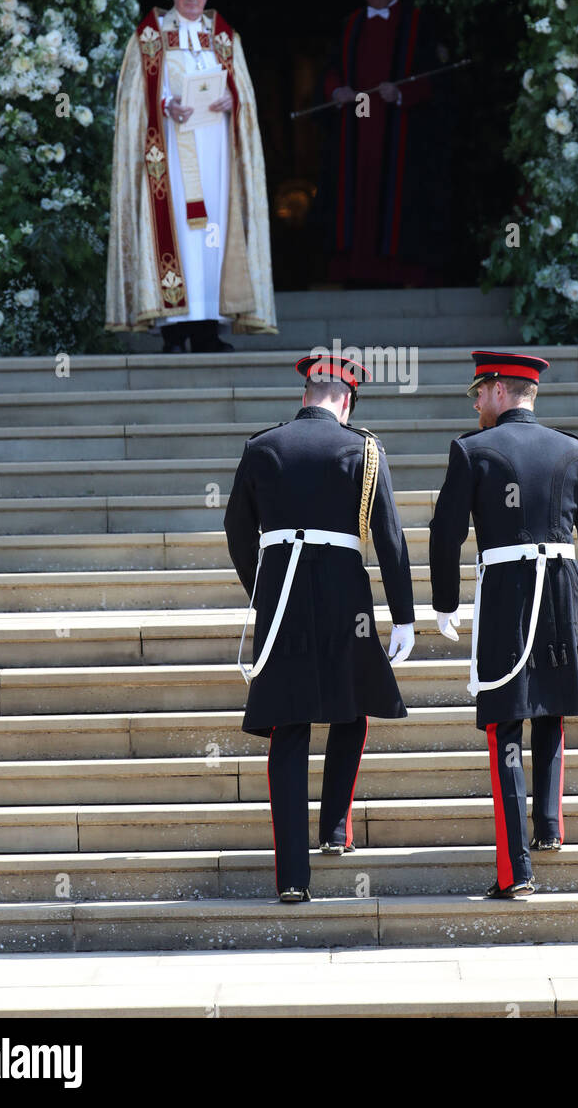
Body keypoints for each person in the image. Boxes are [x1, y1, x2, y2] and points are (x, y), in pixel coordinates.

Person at [224, 353, 416, 902]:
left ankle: (291, 877)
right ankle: (334, 828)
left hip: (280, 591)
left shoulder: (263, 446)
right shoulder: (365, 449)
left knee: (288, 726)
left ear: (306, 393)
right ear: (347, 399)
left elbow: (237, 527)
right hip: (343, 593)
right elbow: (390, 537)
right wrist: (403, 614)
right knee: (350, 706)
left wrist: (262, 591)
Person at [429, 351, 578, 898]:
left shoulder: (472, 449)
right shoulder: (574, 450)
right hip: (562, 587)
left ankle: (515, 871)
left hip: (508, 590)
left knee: (505, 723)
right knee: (551, 705)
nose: (476, 403)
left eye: (478, 394)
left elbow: (446, 533)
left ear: (496, 390)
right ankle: (550, 828)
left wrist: (445, 602)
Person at [106, 0, 277, 351]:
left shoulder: (223, 38)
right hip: (167, 159)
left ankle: (206, 329)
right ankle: (172, 329)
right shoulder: (149, 37)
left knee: (211, 239)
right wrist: (166, 104)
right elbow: (134, 100)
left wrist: (233, 98)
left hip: (216, 156)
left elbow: (244, 97)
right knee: (177, 236)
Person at [310, 0, 451, 287]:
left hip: (404, 135)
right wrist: (336, 91)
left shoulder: (419, 22)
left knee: (399, 203)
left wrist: (404, 94)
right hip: (356, 133)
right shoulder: (351, 25)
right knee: (355, 201)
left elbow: (440, 78)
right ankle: (355, 272)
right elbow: (329, 71)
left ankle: (404, 273)